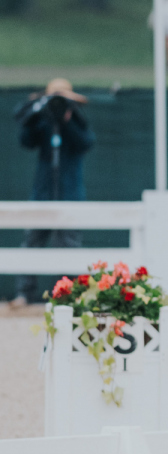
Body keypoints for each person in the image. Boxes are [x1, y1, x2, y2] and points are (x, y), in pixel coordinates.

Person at [9, 79, 94, 308]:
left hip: (70, 194)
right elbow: (26, 140)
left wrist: (67, 121)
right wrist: (41, 115)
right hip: (43, 193)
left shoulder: (76, 121)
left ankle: (70, 296)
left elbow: (86, 143)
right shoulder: (44, 122)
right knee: (32, 243)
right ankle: (24, 294)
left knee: (69, 245)